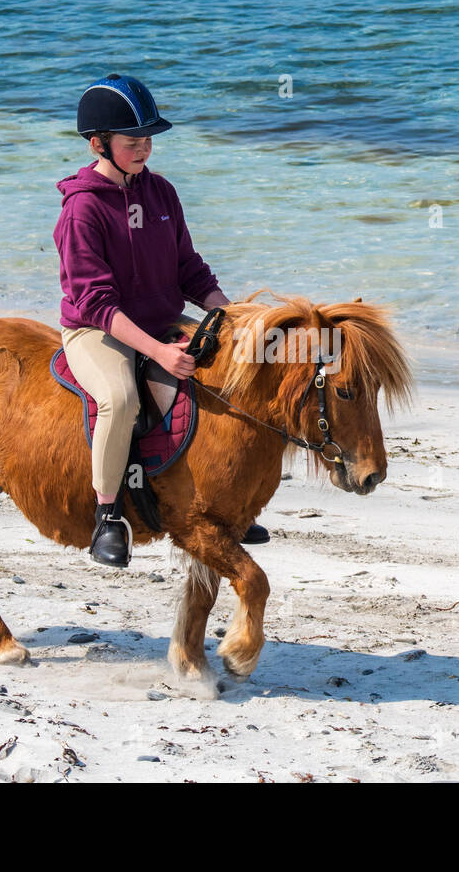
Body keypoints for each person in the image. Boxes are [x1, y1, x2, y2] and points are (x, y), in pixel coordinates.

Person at [54, 74, 269, 566]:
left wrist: (229, 315)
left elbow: (189, 269)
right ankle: (108, 515)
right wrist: (157, 352)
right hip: (97, 330)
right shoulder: (82, 209)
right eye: (134, 142)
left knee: (234, 373)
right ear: (98, 143)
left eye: (149, 140)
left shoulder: (162, 193)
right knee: (120, 399)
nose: (145, 149)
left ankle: (226, 500)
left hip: (163, 319)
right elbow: (96, 302)